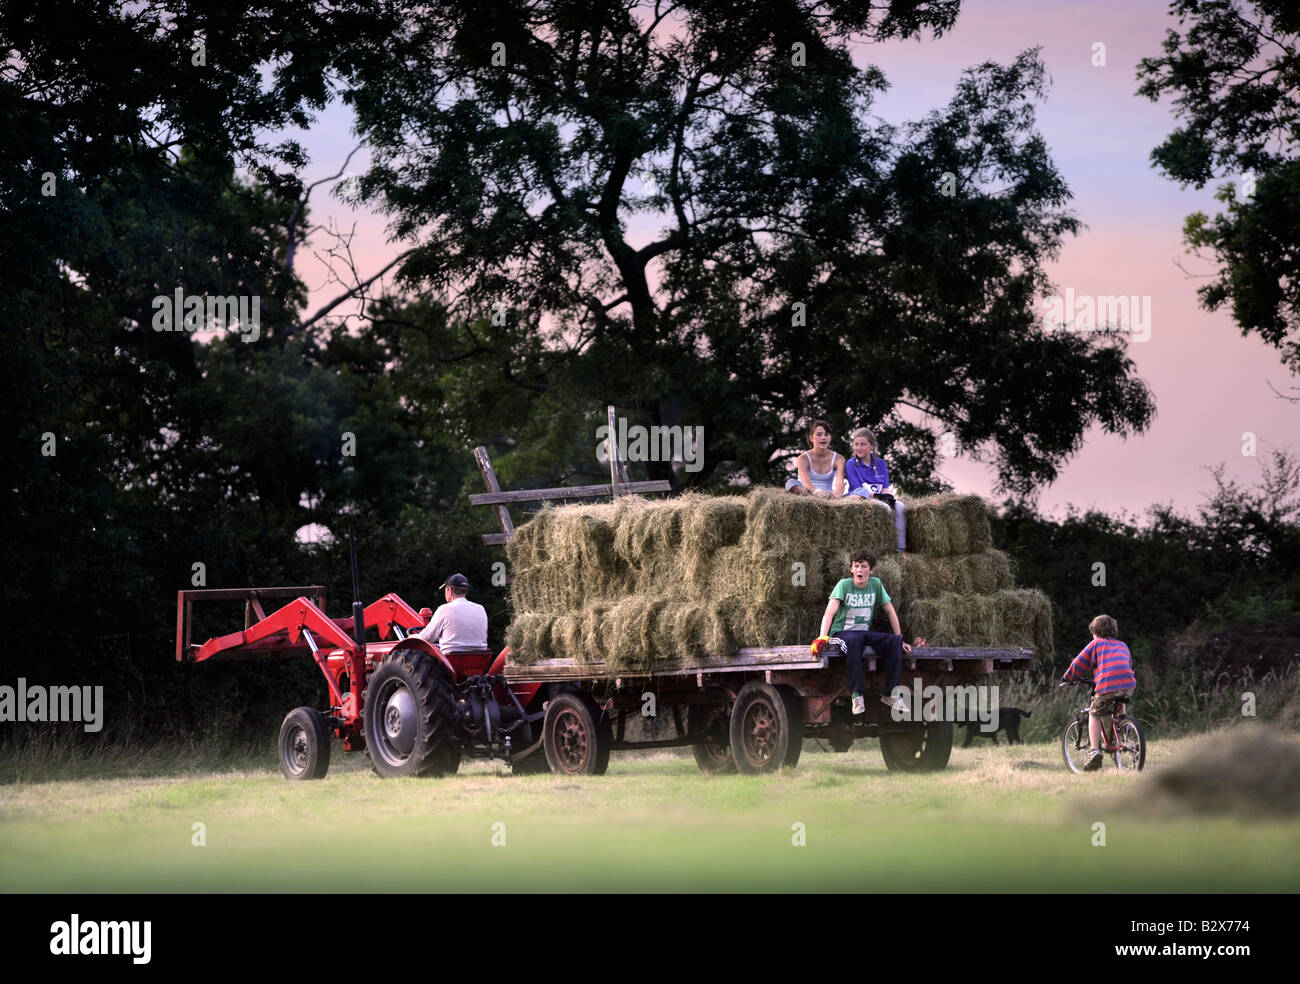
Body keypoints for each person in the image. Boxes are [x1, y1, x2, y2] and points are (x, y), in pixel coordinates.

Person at [811, 549, 915, 715]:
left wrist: (899, 639)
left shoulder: (875, 585)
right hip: (843, 634)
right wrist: (822, 637)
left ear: (871, 569)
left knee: (893, 641)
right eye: (856, 566)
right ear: (851, 569)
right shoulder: (844, 585)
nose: (859, 570)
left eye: (863, 566)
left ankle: (891, 694)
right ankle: (857, 695)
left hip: (863, 633)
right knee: (854, 640)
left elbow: (890, 611)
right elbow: (829, 612)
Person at [1062, 614, 1137, 770]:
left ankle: (1094, 751)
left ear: (1095, 631)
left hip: (1107, 685)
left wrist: (1068, 677)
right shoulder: (1122, 645)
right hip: (1128, 685)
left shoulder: (1095, 644)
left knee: (1094, 714)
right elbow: (1127, 664)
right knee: (1119, 701)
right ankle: (1124, 730)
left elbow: (1078, 663)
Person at [844, 426, 906, 551]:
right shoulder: (851, 464)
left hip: (880, 497)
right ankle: (882, 545)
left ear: (872, 446)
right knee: (884, 508)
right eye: (856, 444)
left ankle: (900, 547)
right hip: (862, 498)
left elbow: (885, 487)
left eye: (863, 444)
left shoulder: (881, 464)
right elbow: (857, 488)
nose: (859, 448)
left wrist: (887, 496)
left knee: (900, 506)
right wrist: (877, 497)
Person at [418, 573, 489, 653]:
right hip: (480, 658)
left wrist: (414, 636)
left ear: (449, 590)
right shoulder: (480, 609)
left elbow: (426, 638)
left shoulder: (444, 609)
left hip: (451, 658)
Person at [784, 419, 846, 497]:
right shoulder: (803, 458)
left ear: (830, 438)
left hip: (827, 493)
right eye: (819, 434)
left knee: (860, 491)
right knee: (790, 482)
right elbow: (806, 483)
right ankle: (813, 498)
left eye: (826, 434)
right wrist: (817, 492)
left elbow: (839, 482)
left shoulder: (839, 459)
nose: (823, 438)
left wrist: (837, 494)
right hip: (806, 491)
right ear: (811, 438)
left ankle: (824, 499)